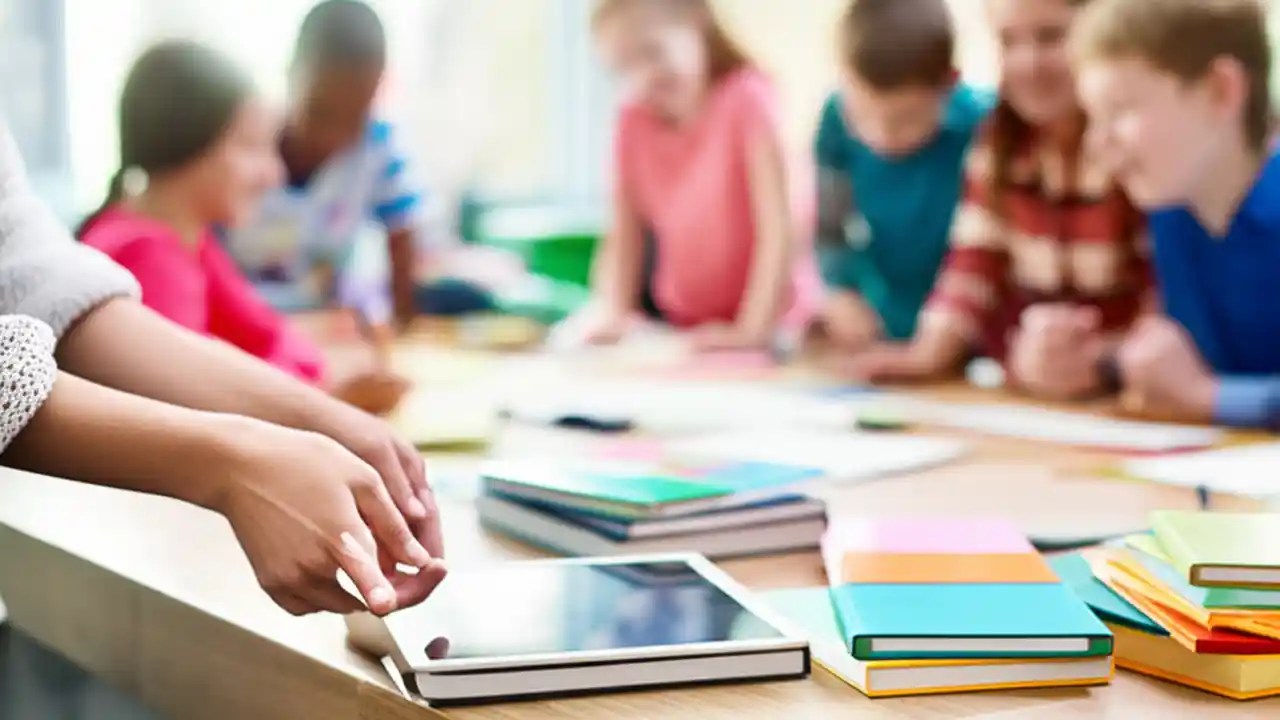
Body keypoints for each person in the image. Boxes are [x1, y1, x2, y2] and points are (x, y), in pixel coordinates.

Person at [0, 118, 443, 618]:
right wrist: (234, 460)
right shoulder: (149, 245)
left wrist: (320, 419)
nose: (276, 174)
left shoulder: (197, 244)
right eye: (253, 147)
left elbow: (31, 281)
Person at [80, 42, 408, 416]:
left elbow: (271, 336)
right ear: (188, 144)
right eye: (252, 148)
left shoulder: (188, 240)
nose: (275, 175)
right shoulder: (148, 257)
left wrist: (321, 387)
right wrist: (324, 403)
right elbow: (185, 412)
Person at [846, 0, 1149, 400]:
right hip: (1043, 393)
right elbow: (975, 260)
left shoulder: (1138, 144)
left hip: (1130, 390)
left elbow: (1168, 298)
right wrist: (928, 352)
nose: (1029, 64)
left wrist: (1101, 359)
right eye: (1008, 41)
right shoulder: (999, 139)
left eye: (1052, 36)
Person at [1073, 0, 1280, 427]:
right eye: (1093, 118)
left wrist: (1206, 396)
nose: (1096, 144)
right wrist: (1094, 364)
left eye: (1121, 109)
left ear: (1220, 90)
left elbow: (1200, 389)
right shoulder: (1171, 214)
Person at [573, 0, 821, 353]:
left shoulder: (748, 98)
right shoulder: (633, 121)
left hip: (775, 329)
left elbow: (781, 226)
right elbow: (625, 235)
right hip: (689, 329)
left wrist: (751, 331)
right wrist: (614, 311)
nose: (643, 77)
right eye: (622, 68)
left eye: (652, 52)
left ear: (696, 22)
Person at [224, 0, 427, 329]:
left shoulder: (378, 149)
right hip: (239, 330)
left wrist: (405, 324)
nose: (333, 136)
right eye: (320, 113)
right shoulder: (240, 146)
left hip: (327, 328)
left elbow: (402, 237)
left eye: (354, 118)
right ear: (291, 73)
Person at [816, 0, 991, 350]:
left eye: (905, 120)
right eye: (864, 115)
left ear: (950, 84)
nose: (882, 136)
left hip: (964, 332)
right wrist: (841, 292)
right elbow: (831, 230)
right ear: (844, 79)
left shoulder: (982, 125)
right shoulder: (835, 122)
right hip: (883, 329)